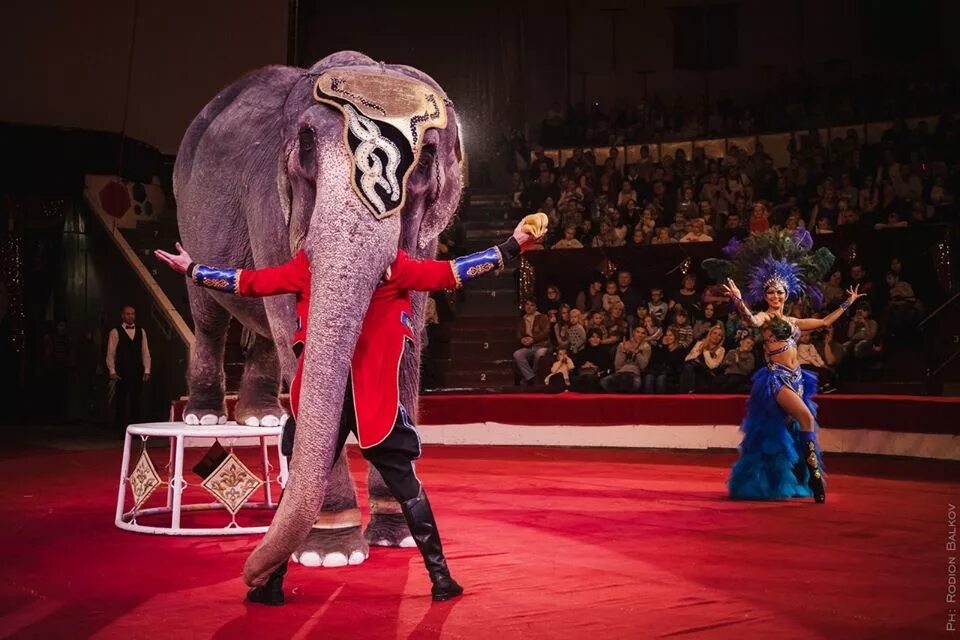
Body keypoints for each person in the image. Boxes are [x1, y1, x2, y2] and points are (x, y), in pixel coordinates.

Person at [156, 217, 540, 604]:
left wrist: (194, 270)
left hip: (340, 402)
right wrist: (193, 269)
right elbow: (452, 273)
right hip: (352, 403)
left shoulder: (339, 266)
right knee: (396, 488)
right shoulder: (374, 266)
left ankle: (275, 584)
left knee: (305, 490)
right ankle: (439, 577)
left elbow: (253, 283)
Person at [713, 229, 864, 503]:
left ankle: (795, 477)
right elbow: (751, 320)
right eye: (770, 291)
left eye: (779, 291)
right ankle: (816, 478)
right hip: (776, 380)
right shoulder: (764, 318)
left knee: (796, 428)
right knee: (806, 418)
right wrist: (737, 299)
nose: (775, 295)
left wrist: (848, 302)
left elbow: (824, 322)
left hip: (798, 378)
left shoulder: (794, 322)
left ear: (787, 293)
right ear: (765, 294)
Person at [106, 305, 151, 430]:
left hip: (137, 370)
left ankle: (135, 428)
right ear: (122, 315)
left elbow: (145, 352)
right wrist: (112, 370)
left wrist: (147, 370)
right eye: (127, 314)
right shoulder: (115, 331)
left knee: (136, 400)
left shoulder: (141, 331)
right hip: (122, 371)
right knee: (121, 400)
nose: (130, 316)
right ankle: (121, 429)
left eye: (132, 313)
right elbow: (111, 352)